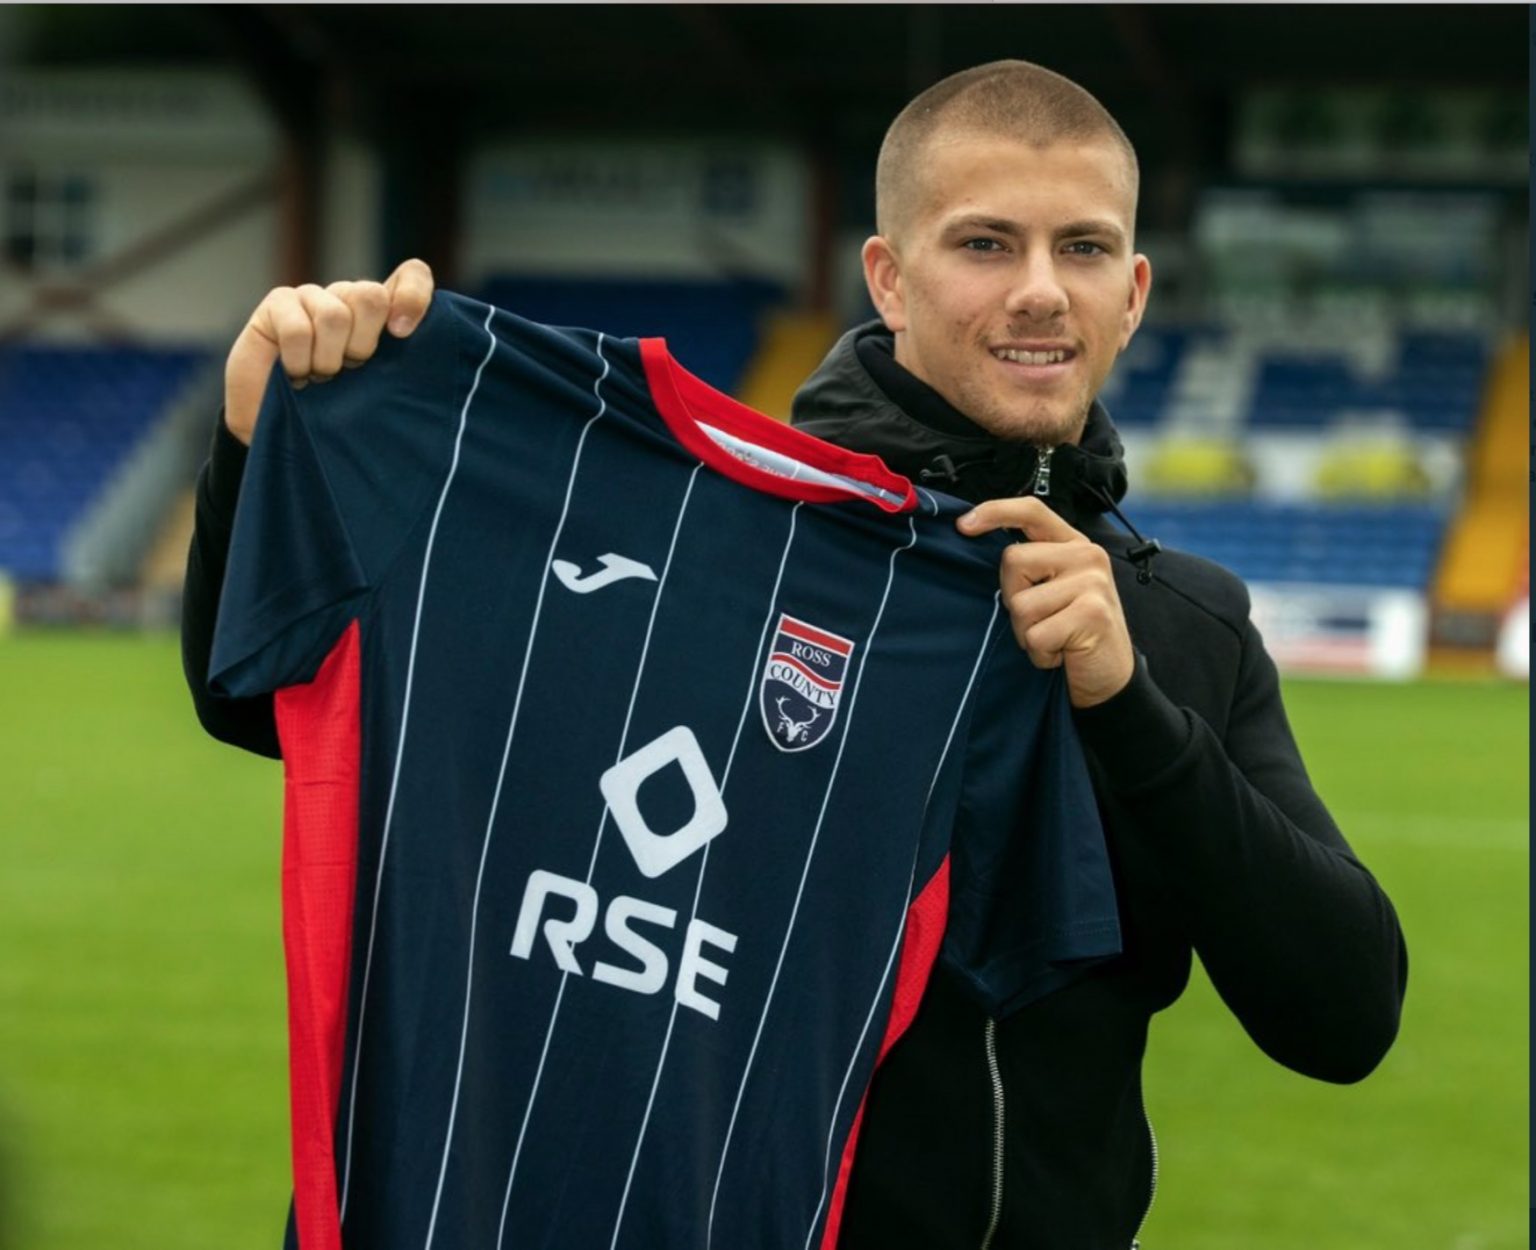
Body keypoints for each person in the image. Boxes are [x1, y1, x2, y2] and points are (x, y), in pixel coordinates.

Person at [183, 59, 1406, 1250]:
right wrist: (261, 439)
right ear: (888, 275)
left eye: (1082, 248)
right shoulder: (718, 542)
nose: (1041, 290)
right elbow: (259, 699)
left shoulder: (1184, 624)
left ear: (1134, 291)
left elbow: (1345, 1011)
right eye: (985, 244)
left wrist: (1128, 707)